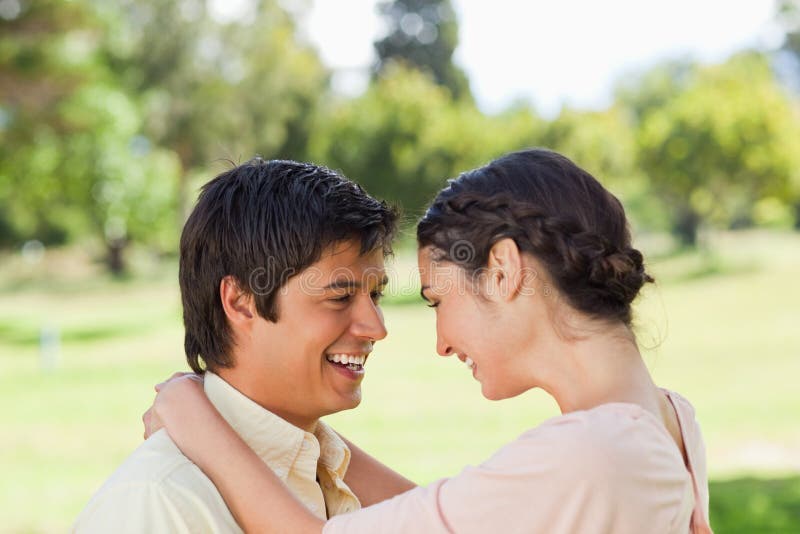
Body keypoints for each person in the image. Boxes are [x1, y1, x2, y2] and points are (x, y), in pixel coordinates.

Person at [145, 149, 714, 534]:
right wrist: (297, 432)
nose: (440, 342)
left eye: (437, 301)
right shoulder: (668, 422)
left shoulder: (594, 450)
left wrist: (192, 414)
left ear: (501, 270)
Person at [74, 158, 402, 533]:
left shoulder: (325, 472)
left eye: (375, 295)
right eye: (340, 297)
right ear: (241, 301)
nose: (377, 328)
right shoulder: (162, 502)